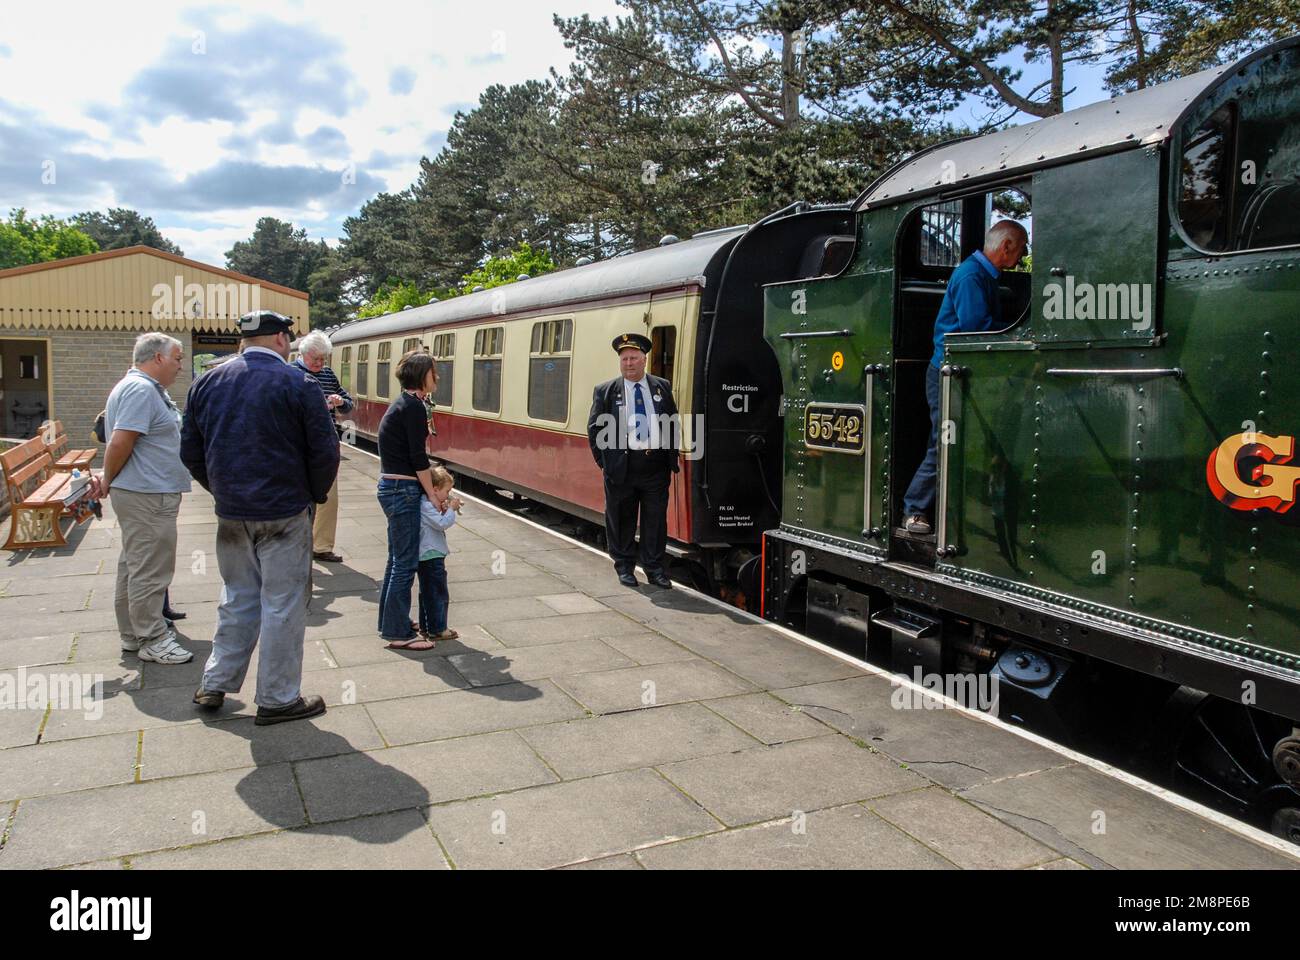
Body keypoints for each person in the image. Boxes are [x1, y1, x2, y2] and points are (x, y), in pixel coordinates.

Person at [180, 310, 340, 725]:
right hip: (284, 511)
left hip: (232, 512)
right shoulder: (299, 383)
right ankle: (277, 697)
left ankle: (214, 683)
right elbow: (325, 451)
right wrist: (313, 494)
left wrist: (221, 489)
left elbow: (190, 452)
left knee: (237, 597)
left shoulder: (206, 383)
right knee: (283, 602)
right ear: (282, 340)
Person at [902, 220, 1028, 535]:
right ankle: (914, 509)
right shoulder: (972, 275)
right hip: (949, 372)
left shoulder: (982, 274)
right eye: (1022, 247)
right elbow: (977, 328)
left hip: (960, 371)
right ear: (1007, 246)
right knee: (944, 441)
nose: (1024, 255)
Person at [93, 333, 193, 664]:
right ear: (158, 358)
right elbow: (121, 441)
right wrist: (106, 480)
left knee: (134, 567)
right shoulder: (139, 389)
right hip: (147, 494)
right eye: (177, 358)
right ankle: (153, 638)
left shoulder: (142, 388)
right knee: (151, 570)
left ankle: (133, 634)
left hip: (144, 491)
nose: (181, 365)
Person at [586, 333, 680, 588]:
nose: (629, 363)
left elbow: (673, 421)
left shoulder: (662, 387)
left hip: (655, 467)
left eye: (634, 358)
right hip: (621, 468)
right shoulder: (606, 391)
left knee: (655, 521)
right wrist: (605, 462)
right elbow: (595, 429)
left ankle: (654, 569)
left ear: (644, 360)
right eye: (624, 359)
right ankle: (624, 567)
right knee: (621, 519)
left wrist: (671, 456)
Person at [376, 350, 443, 647]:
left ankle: (391, 622)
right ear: (421, 375)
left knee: (396, 561)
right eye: (433, 372)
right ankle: (398, 633)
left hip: (392, 487)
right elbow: (419, 459)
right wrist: (433, 495)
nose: (436, 377)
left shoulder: (403, 404)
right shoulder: (414, 407)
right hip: (403, 490)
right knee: (405, 564)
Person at [291, 330, 354, 563]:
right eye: (315, 359)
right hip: (299, 443)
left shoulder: (327, 374)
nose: (319, 363)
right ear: (302, 354)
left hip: (326, 442)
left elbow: (348, 403)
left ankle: (322, 545)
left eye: (322, 359)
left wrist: (340, 402)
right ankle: (298, 545)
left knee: (329, 498)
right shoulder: (291, 374)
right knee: (301, 498)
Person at [416, 466, 462, 643]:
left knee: (426, 593)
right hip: (431, 555)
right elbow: (442, 524)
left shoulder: (425, 503)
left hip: (428, 555)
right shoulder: (426, 505)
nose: (448, 494)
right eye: (447, 491)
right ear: (435, 490)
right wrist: (451, 509)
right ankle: (439, 629)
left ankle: (426, 626)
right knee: (438, 593)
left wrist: (443, 508)